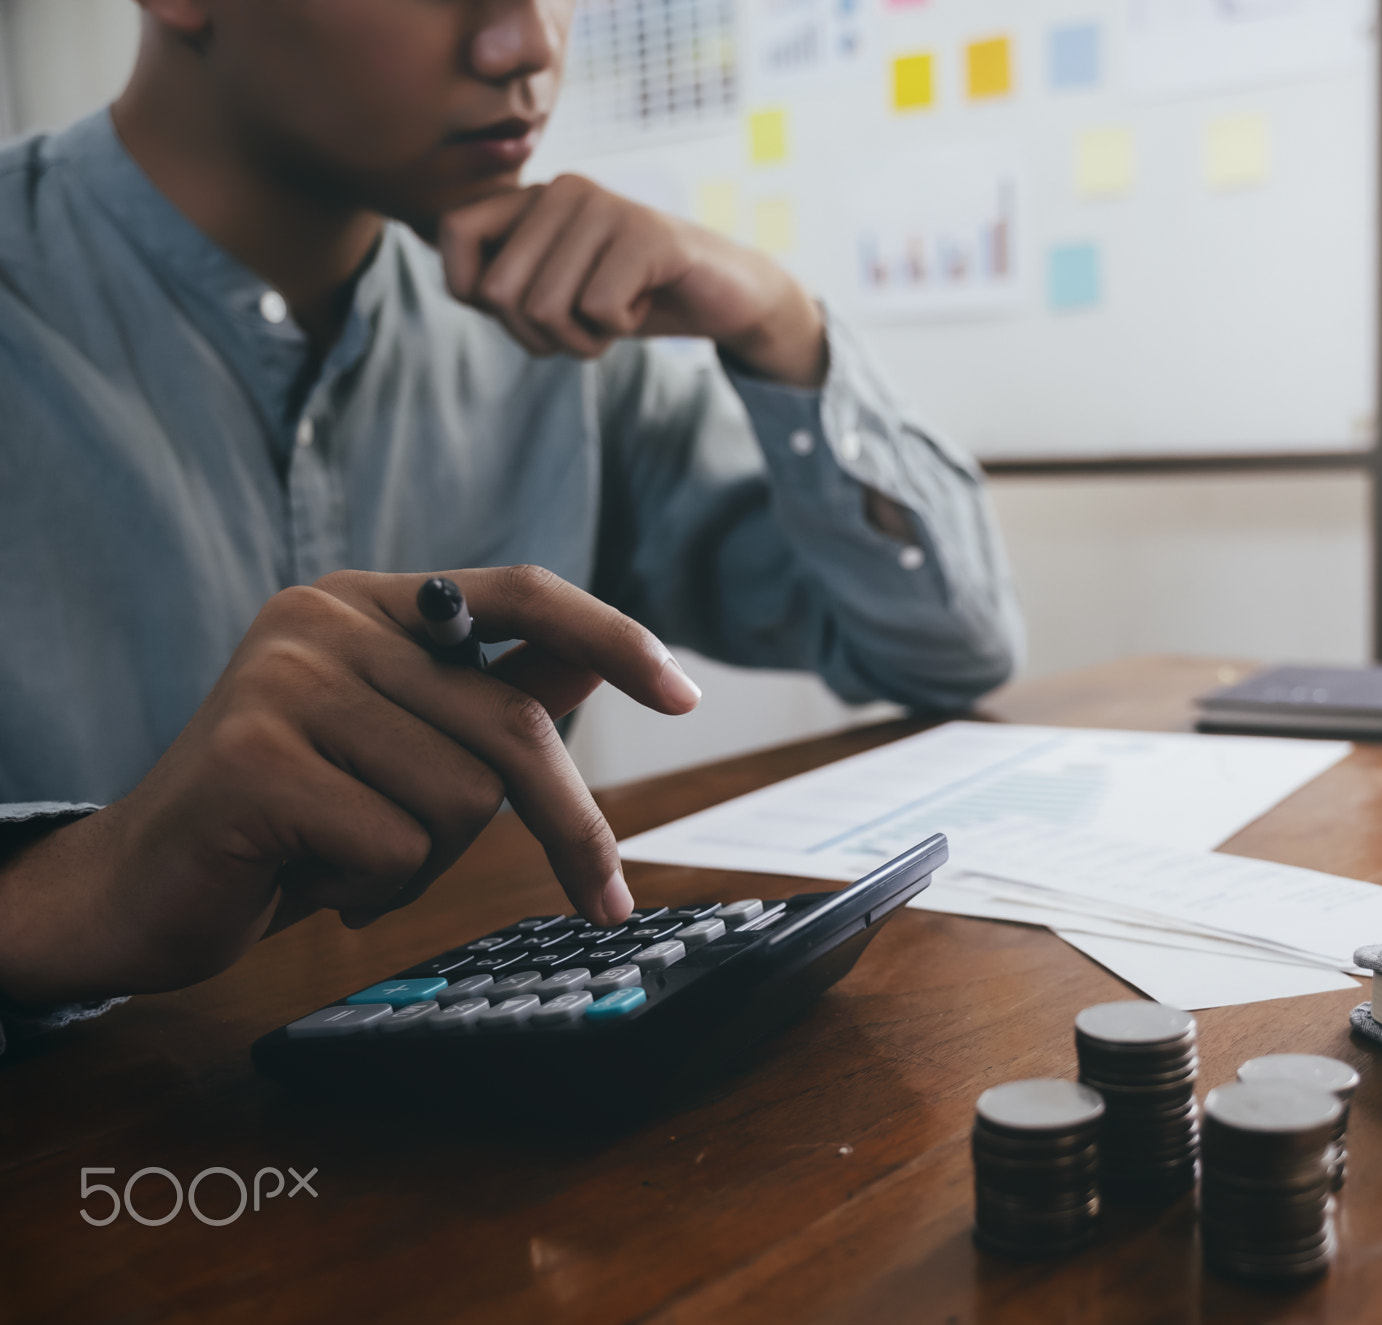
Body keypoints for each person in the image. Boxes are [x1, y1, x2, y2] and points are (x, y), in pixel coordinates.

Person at [0, 0, 1024, 1043]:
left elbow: (943, 649)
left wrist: (776, 321)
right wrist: (57, 898)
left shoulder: (557, 348)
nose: (528, 45)